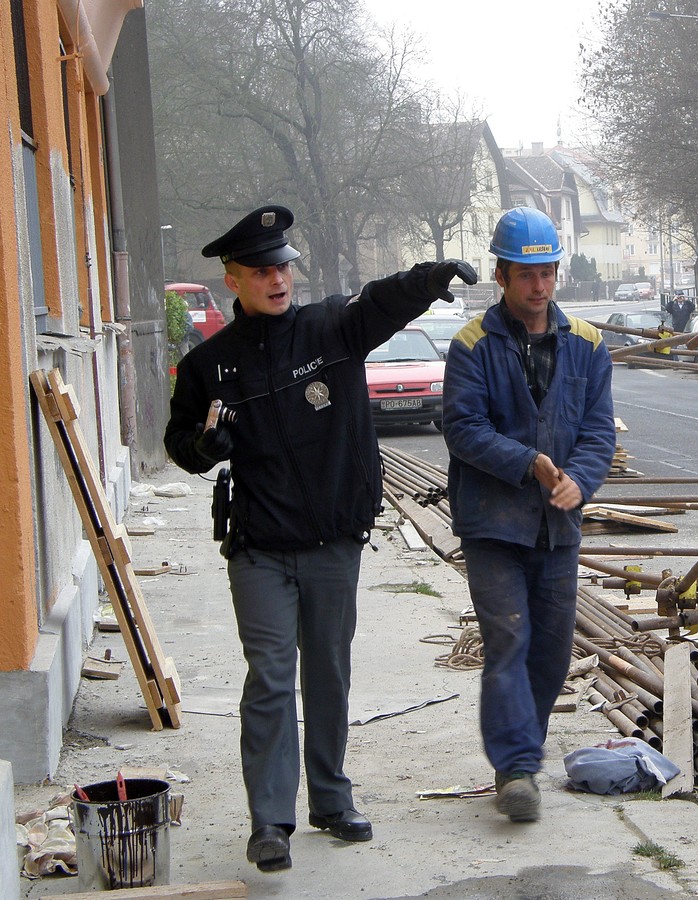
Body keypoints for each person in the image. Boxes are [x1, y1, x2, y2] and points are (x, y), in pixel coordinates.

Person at [163, 205, 475, 872]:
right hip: (260, 547)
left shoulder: (332, 327)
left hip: (335, 538)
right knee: (271, 676)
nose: (278, 278)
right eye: (261, 269)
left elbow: (384, 300)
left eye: (283, 265)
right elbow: (179, 444)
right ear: (233, 280)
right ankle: (270, 821)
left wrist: (432, 276)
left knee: (328, 673)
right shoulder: (211, 366)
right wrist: (204, 444)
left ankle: (331, 800)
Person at [441, 207, 616, 823]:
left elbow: (597, 432)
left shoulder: (589, 346)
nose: (539, 287)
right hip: (493, 522)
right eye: (526, 275)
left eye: (547, 273)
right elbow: (463, 429)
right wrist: (532, 464)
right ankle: (516, 767)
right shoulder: (471, 346)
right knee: (509, 638)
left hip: (557, 525)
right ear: (501, 276)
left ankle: (523, 752)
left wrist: (581, 481)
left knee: (551, 652)